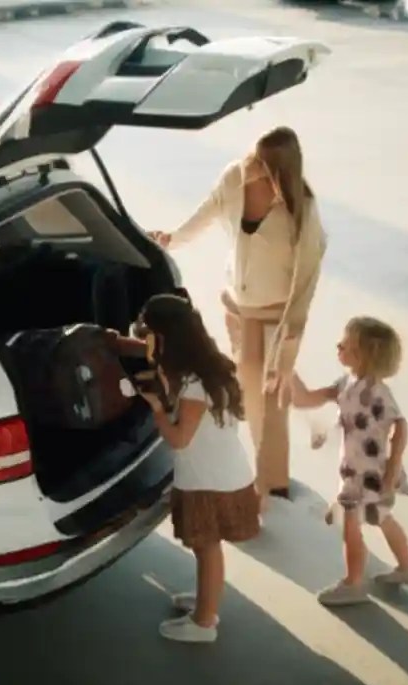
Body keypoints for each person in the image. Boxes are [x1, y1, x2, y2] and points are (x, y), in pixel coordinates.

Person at [149, 126, 327, 511]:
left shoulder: (303, 211)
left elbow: (305, 284)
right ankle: (303, 410)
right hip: (237, 309)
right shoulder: (235, 177)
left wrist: (288, 347)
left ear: (281, 170)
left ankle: (273, 490)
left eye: (261, 162)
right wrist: (173, 238)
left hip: (275, 317)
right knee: (255, 392)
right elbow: (209, 209)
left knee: (268, 401)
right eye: (252, 155)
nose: (251, 165)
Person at [125, 293, 259, 643]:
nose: (144, 338)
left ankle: (203, 622)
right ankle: (205, 601)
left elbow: (180, 439)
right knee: (207, 549)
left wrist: (157, 409)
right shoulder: (210, 369)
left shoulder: (194, 387)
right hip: (226, 474)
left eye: (148, 333)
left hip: (207, 484)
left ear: (164, 337)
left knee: (207, 548)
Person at [293, 316, 408, 607]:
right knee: (382, 518)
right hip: (354, 470)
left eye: (345, 344)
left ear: (363, 355)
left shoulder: (377, 393)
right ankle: (407, 568)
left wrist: (391, 472)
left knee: (351, 525)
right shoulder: (345, 384)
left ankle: (353, 583)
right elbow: (305, 399)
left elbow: (401, 427)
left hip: (369, 474)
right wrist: (288, 371)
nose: (338, 346)